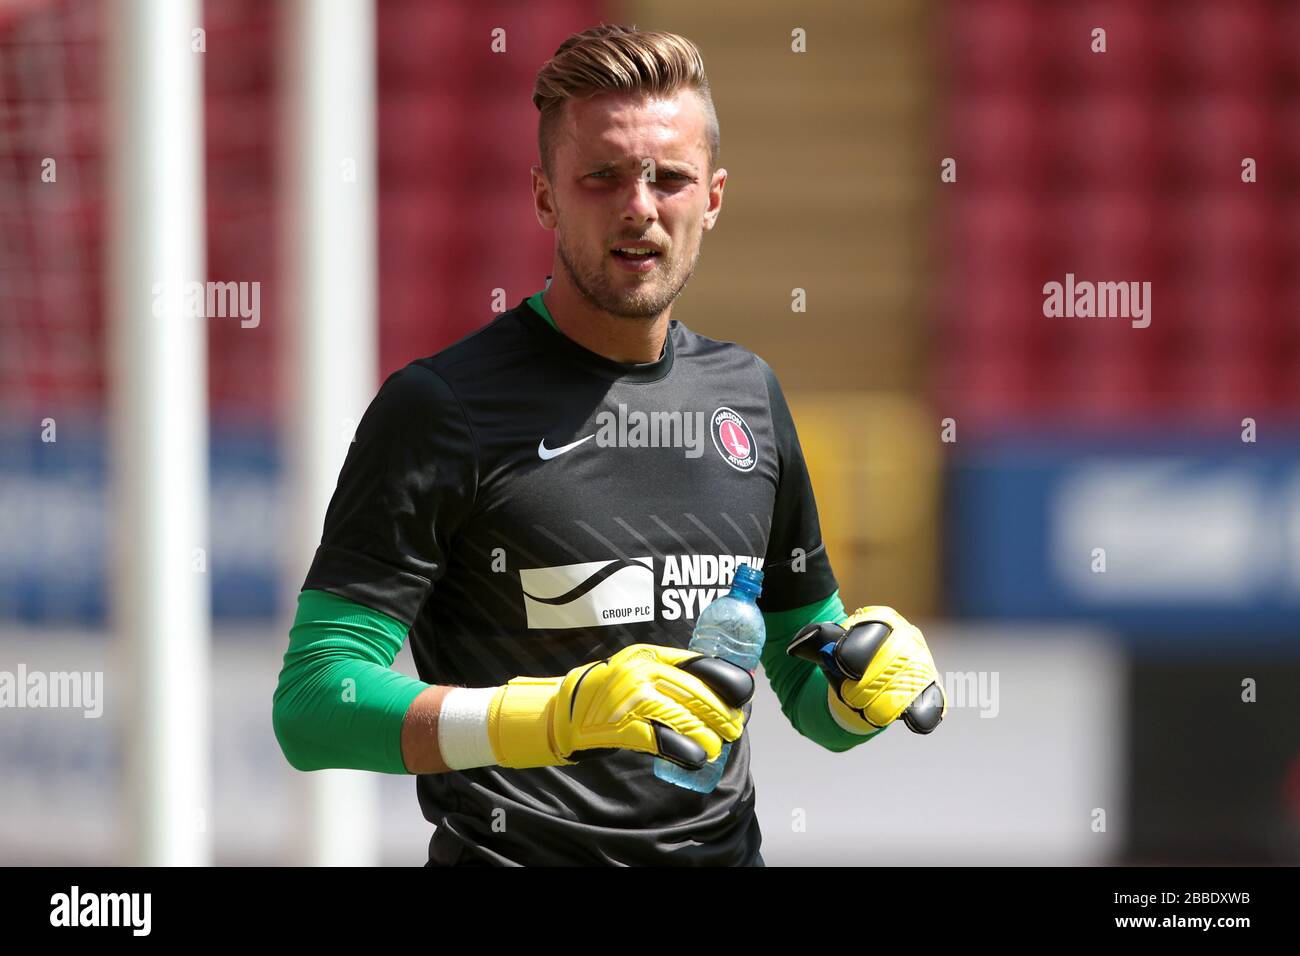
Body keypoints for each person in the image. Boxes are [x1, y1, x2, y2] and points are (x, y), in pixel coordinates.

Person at [272, 23, 945, 867]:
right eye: (603, 177)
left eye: (670, 178)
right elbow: (313, 705)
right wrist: (556, 717)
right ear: (546, 196)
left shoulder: (750, 397)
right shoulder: (441, 408)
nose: (639, 205)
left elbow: (807, 684)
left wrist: (859, 689)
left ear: (714, 198)